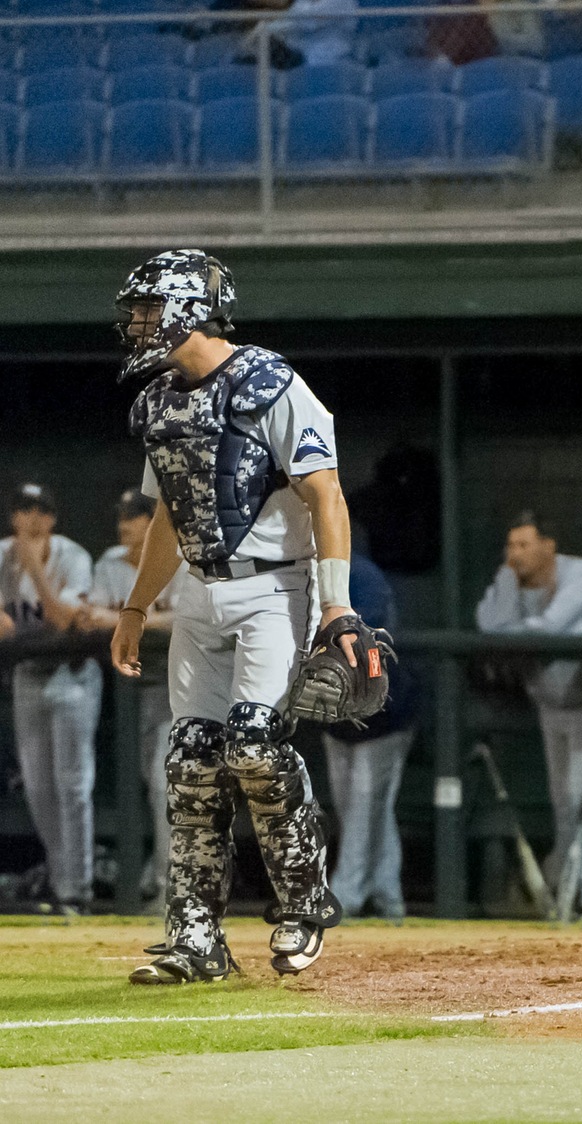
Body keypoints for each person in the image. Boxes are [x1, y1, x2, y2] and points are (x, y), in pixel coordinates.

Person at [109, 249, 355, 983]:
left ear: (189, 307)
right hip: (198, 591)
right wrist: (134, 605)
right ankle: (195, 936)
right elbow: (167, 518)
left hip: (275, 587)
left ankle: (304, 905)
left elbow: (326, 495)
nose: (137, 322)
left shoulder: (271, 383)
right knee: (189, 760)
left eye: (150, 308)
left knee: (253, 747)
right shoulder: (158, 401)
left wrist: (335, 600)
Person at [477, 512, 582, 927]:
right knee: (565, 804)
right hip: (552, 704)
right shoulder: (510, 579)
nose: (515, 555)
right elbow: (485, 626)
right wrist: (508, 585)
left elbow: (550, 629)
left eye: (524, 545)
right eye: (510, 546)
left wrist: (507, 630)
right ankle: (562, 892)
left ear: (549, 546)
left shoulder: (577, 573)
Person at [83, 489, 188, 909]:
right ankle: (157, 879)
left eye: (135, 516)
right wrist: (146, 621)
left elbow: (185, 618)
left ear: (154, 522)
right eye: (122, 515)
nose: (125, 524)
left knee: (166, 787)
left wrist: (133, 618)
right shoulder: (110, 563)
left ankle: (169, 892)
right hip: (129, 698)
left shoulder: (179, 556)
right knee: (149, 789)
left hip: (177, 688)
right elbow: (89, 617)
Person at [0, 483, 99, 916]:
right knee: (39, 788)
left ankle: (76, 889)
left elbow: (61, 621)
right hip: (26, 675)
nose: (33, 519)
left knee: (73, 784)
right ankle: (62, 884)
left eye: (41, 510)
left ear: (53, 518)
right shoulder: (0, 554)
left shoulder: (72, 555)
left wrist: (34, 571)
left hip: (70, 673)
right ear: (13, 516)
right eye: (24, 510)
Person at [321, 546, 416, 923]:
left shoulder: (360, 575)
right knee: (358, 809)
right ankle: (387, 895)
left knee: (364, 807)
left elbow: (367, 638)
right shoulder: (298, 575)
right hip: (337, 716)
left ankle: (345, 898)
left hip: (383, 713)